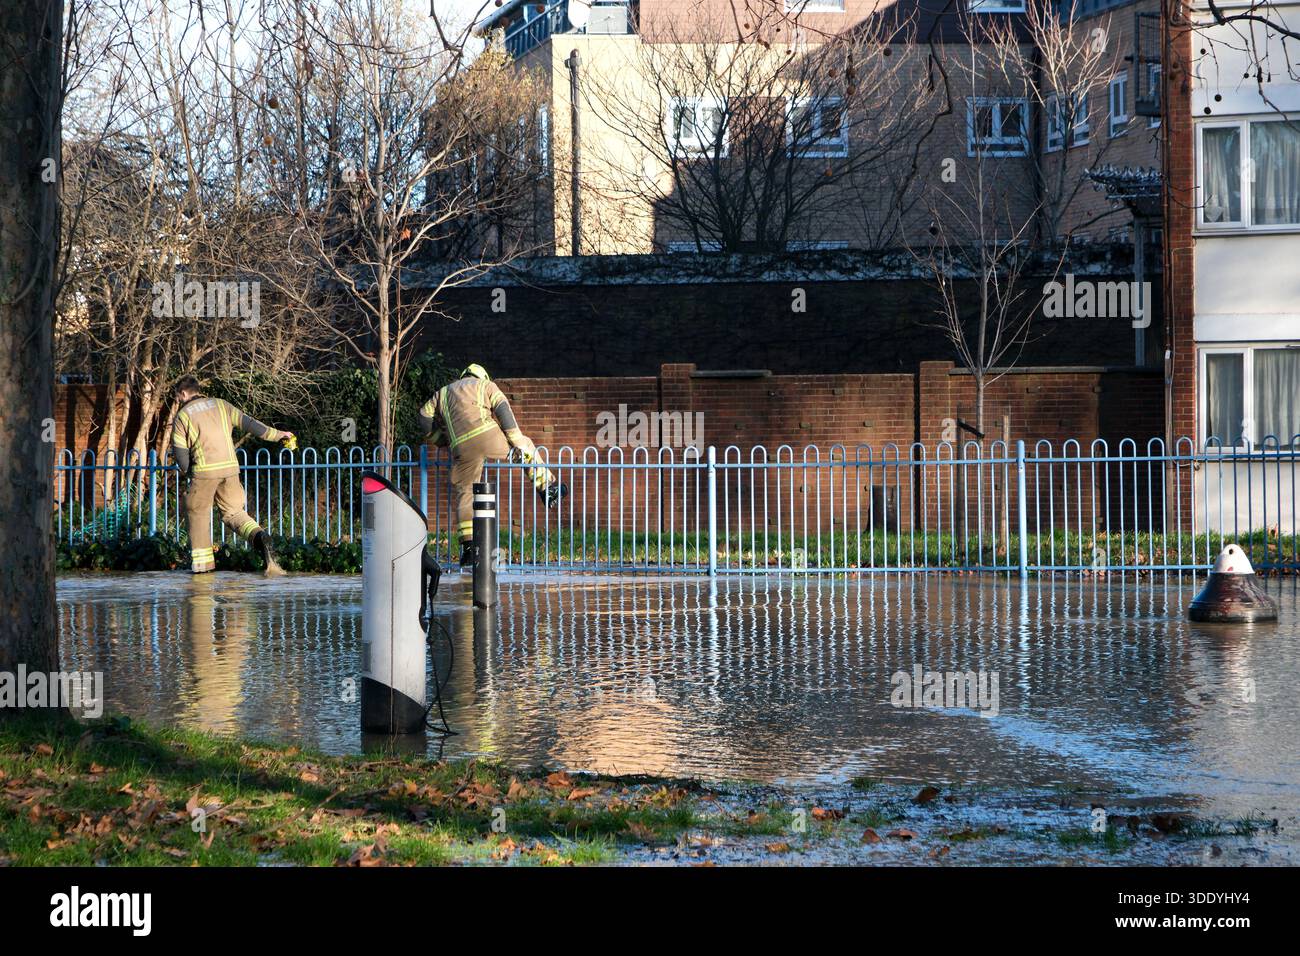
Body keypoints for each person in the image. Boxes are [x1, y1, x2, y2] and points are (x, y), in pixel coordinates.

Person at [419, 363, 565, 567]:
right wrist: (516, 440)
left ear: (463, 375)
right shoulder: (485, 386)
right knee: (525, 449)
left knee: (466, 492)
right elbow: (503, 410)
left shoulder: (442, 393)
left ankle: (469, 549)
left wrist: (440, 440)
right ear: (483, 376)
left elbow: (424, 417)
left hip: (461, 445)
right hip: (487, 436)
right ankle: (548, 487)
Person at [169, 375, 295, 575]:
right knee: (234, 512)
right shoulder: (221, 405)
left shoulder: (183, 415)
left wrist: (188, 473)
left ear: (183, 393)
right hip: (230, 469)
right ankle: (259, 535)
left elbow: (180, 454)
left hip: (205, 471)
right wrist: (280, 435)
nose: (177, 401)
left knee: (198, 513)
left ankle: (203, 570)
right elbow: (252, 425)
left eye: (177, 397)